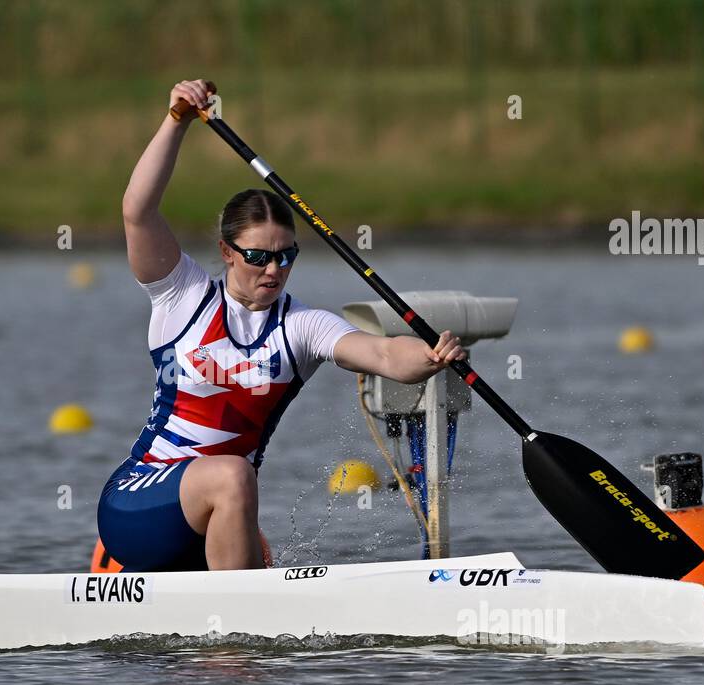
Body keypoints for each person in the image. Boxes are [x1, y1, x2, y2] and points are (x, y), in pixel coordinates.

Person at [97, 79, 465, 573]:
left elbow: (381, 355)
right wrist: (176, 121)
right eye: (258, 257)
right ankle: (237, 625)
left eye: (285, 256)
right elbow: (137, 212)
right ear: (227, 253)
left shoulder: (301, 327)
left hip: (214, 514)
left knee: (236, 493)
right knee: (232, 477)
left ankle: (237, 637)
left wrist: (429, 357)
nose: (273, 269)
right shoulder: (181, 295)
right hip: (136, 502)